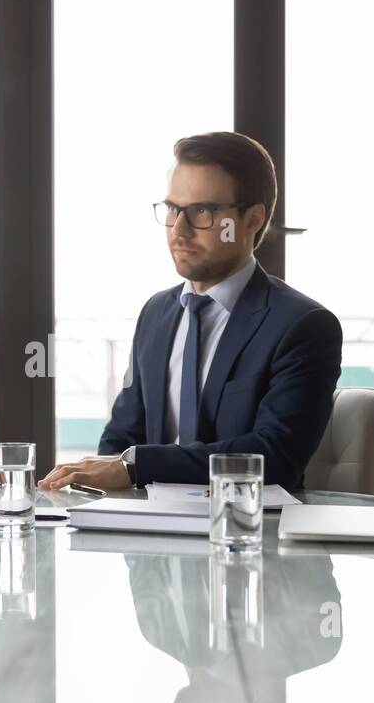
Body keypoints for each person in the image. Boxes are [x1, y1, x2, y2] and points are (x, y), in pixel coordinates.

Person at [39, 131, 341, 494]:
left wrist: (137, 467)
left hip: (246, 531)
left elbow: (274, 457)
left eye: (202, 212)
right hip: (148, 532)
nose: (179, 231)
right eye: (172, 209)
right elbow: (121, 439)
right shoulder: (156, 313)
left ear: (252, 219)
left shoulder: (302, 325)